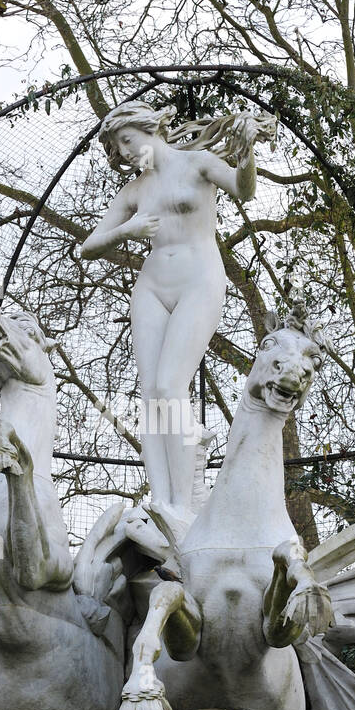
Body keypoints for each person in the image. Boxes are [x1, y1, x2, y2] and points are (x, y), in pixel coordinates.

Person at [79, 100, 273, 528]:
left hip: (198, 280)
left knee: (170, 385)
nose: (125, 152)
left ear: (148, 129)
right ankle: (161, 501)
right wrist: (127, 230)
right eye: (117, 148)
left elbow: (244, 190)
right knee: (151, 398)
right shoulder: (133, 192)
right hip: (151, 287)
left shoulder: (198, 164)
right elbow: (88, 247)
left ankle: (184, 503)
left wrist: (248, 154)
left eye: (127, 140)